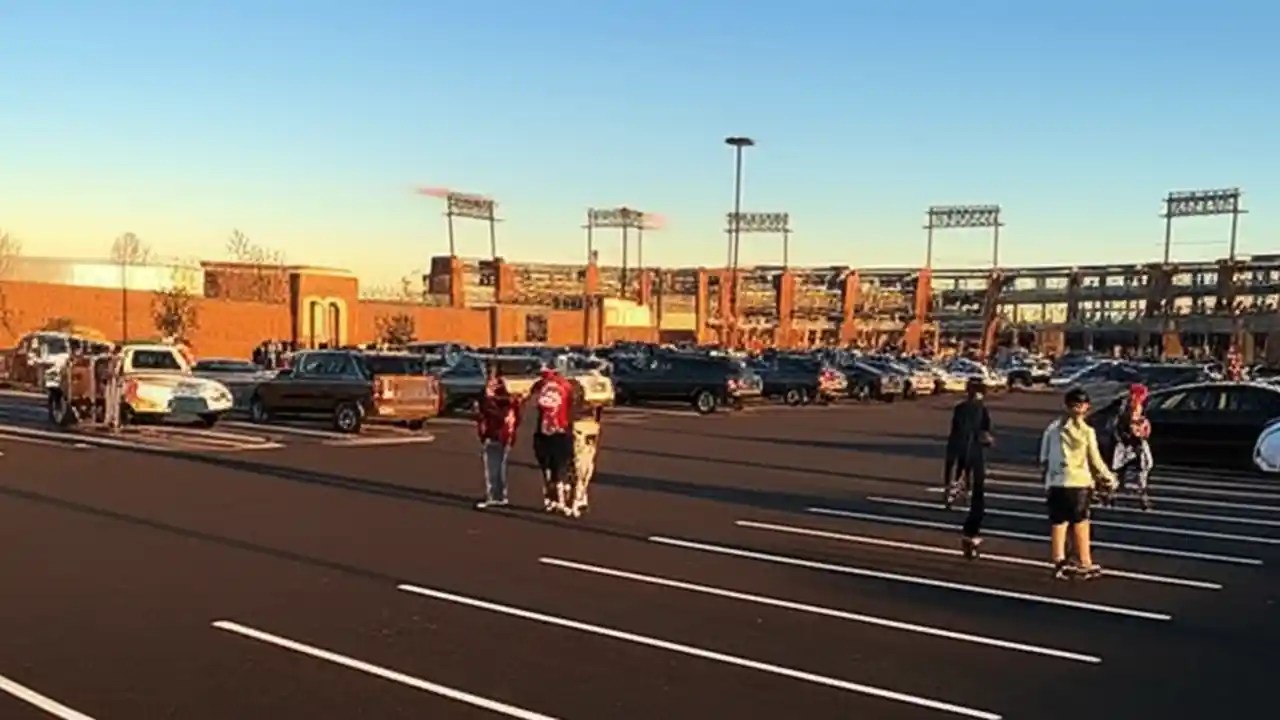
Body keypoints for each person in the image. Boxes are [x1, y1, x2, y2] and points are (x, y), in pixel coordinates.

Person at [1040, 388, 1117, 580]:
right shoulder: (1087, 431)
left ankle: (1059, 560)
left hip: (1056, 482)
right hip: (1079, 482)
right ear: (1087, 407)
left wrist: (1048, 478)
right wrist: (1109, 479)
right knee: (1081, 522)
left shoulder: (1052, 428)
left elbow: (1044, 457)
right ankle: (1084, 561)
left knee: (1059, 522)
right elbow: (1095, 460)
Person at [944, 377, 994, 559]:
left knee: (970, 494)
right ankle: (971, 535)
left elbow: (954, 434)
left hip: (959, 454)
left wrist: (949, 468)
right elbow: (985, 434)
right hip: (975, 456)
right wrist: (987, 440)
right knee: (978, 499)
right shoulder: (981, 410)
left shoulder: (960, 409)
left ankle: (954, 491)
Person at [530, 365, 576, 514]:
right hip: (557, 430)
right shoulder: (566, 385)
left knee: (551, 468)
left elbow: (533, 401)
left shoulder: (542, 385)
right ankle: (558, 498)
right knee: (557, 467)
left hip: (550, 431)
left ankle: (555, 499)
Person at [474, 362, 520, 510]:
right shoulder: (492, 396)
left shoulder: (501, 398)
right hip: (494, 433)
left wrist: (488, 399)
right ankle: (498, 495)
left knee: (495, 466)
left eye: (492, 377)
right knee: (495, 465)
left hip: (498, 435)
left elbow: (500, 415)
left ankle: (495, 496)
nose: (490, 381)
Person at [1111, 383, 1154, 510]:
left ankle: (1113, 494)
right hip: (1131, 441)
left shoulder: (1130, 405)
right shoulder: (1131, 405)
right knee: (1141, 467)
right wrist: (1141, 426)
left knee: (1123, 469)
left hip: (1129, 441)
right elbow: (1132, 423)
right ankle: (1140, 496)